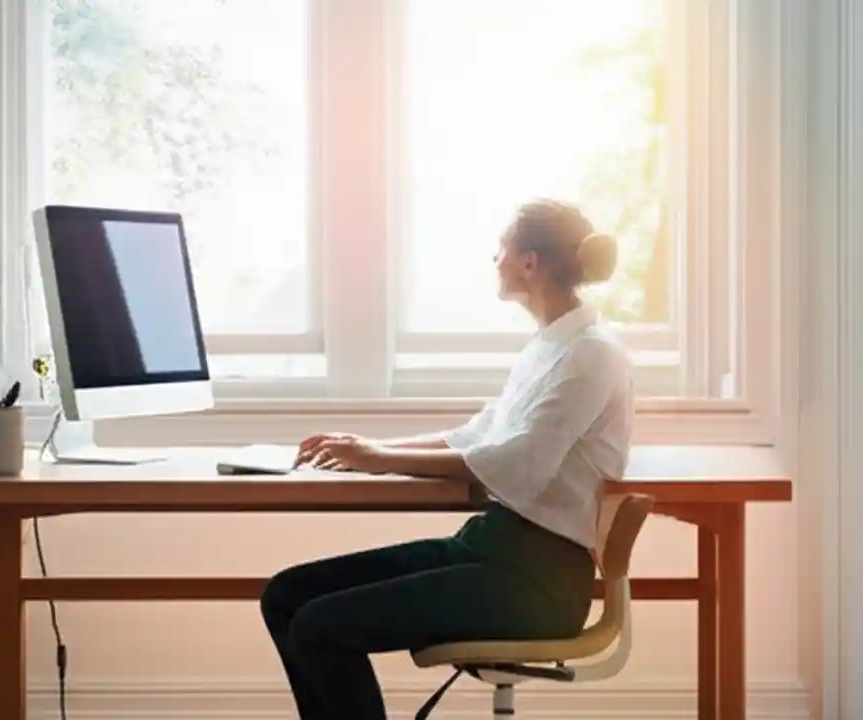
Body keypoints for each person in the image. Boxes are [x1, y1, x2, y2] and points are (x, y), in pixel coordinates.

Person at [259, 198, 635, 719]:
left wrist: (376, 458)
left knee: (320, 627)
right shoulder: (549, 346)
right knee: (286, 596)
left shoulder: (593, 354)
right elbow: (477, 434)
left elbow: (520, 464)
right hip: (491, 546)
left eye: (501, 249)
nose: (495, 260)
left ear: (529, 262)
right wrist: (368, 448)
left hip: (537, 582)